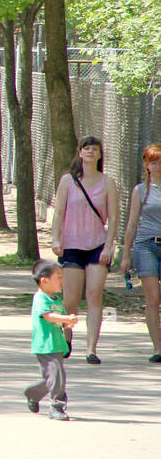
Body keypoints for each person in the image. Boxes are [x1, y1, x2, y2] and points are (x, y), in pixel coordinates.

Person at [49, 136, 120, 364]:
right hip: (71, 244)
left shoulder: (107, 182)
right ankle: (67, 335)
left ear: (100, 155)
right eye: (86, 148)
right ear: (80, 153)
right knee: (70, 300)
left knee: (94, 295)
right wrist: (55, 239)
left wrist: (109, 246)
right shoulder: (68, 181)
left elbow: (114, 218)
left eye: (95, 149)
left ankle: (91, 348)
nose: (90, 152)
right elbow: (59, 212)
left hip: (97, 245)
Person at [121, 144, 161, 362]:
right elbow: (132, 223)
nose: (158, 167)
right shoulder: (141, 190)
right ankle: (157, 347)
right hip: (146, 245)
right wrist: (126, 254)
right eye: (153, 162)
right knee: (153, 298)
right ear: (147, 165)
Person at [25, 262, 76, 420]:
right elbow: (48, 316)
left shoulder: (57, 300)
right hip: (45, 344)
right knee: (58, 376)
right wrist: (65, 318)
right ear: (44, 280)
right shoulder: (40, 298)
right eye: (59, 277)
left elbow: (59, 320)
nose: (62, 280)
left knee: (53, 377)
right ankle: (56, 406)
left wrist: (67, 323)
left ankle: (33, 393)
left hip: (57, 343)